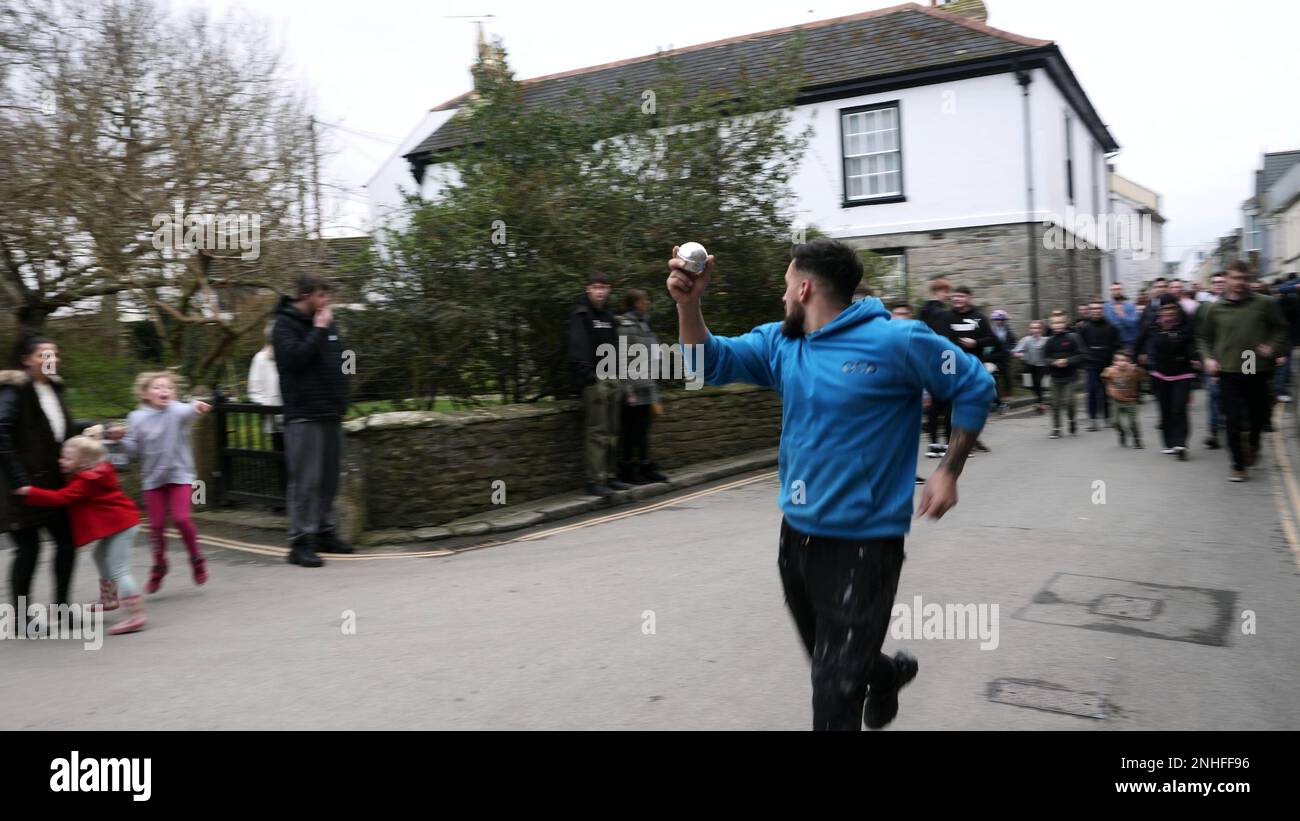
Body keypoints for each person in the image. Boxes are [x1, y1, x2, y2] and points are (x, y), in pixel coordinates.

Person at [667, 238, 993, 731]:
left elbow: (974, 384)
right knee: (832, 661)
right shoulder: (782, 343)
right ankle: (884, 675)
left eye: (784, 289)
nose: (781, 300)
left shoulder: (898, 341)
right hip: (796, 539)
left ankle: (866, 677)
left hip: (865, 547)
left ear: (803, 288)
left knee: (833, 694)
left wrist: (949, 468)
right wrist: (689, 304)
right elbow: (703, 364)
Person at [16, 432, 148, 634]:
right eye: (62, 456)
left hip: (122, 525)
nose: (61, 461)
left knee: (119, 569)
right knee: (99, 556)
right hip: (118, 523)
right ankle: (109, 599)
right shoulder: (93, 473)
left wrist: (30, 492)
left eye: (67, 458)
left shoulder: (85, 481)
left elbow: (61, 498)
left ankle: (136, 615)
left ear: (84, 462)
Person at [273, 274, 354, 566]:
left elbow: (340, 361)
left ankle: (323, 532)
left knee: (329, 480)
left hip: (330, 411)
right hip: (303, 413)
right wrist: (318, 330)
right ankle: (299, 542)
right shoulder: (283, 325)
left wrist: (343, 399)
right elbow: (294, 360)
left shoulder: (328, 323)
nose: (326, 301)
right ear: (305, 296)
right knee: (306, 481)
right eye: (322, 295)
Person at [107, 372, 211, 592]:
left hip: (179, 475)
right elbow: (135, 449)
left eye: (169, 388)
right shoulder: (136, 417)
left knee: (182, 519)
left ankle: (196, 559)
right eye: (158, 387)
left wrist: (197, 407)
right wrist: (120, 440)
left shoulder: (176, 411)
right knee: (156, 526)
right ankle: (159, 565)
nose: (164, 391)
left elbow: (188, 410)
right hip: (153, 478)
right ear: (145, 394)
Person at [0, 335, 83, 611]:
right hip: (20, 488)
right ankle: (23, 617)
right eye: (44, 355)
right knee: (29, 549)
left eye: (55, 355)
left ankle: (62, 607)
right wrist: (19, 481)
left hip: (53, 485)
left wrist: (98, 428)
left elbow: (56, 431)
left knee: (67, 543)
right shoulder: (14, 391)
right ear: (26, 360)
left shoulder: (54, 389)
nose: (52, 360)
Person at [1196, 261, 1289, 482]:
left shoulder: (1264, 303)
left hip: (1255, 365)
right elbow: (1204, 338)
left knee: (1257, 416)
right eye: (1236, 278)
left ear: (1250, 279)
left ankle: (1254, 443)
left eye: (1244, 278)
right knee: (1233, 419)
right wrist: (1208, 358)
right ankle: (1237, 465)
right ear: (1227, 278)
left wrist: (1272, 347)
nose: (1240, 283)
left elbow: (1281, 328)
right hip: (1228, 369)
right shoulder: (1215, 307)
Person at [570, 272, 631, 498]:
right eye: (596, 287)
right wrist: (589, 377)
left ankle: (610, 476)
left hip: (612, 377)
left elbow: (615, 346)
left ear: (609, 290)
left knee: (613, 430)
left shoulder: (608, 316)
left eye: (604, 287)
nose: (600, 291)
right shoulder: (581, 314)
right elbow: (578, 347)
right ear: (588, 288)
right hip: (595, 380)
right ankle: (595, 480)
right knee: (597, 431)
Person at [614, 289, 668, 485]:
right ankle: (628, 469)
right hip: (633, 389)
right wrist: (627, 390)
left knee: (644, 430)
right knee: (630, 432)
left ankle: (645, 467)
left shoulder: (644, 323)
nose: (648, 303)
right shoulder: (626, 326)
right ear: (636, 303)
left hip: (648, 385)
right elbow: (621, 360)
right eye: (645, 300)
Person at [1145, 296, 1200, 459]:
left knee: (1179, 408)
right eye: (1164, 310)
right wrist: (1139, 357)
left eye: (1171, 309)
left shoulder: (1186, 326)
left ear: (1177, 310)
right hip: (1160, 373)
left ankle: (1181, 443)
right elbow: (1143, 341)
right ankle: (1169, 442)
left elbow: (1194, 343)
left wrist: (1196, 357)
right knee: (1165, 409)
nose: (1168, 313)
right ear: (1160, 312)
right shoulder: (1154, 327)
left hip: (1182, 372)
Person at [944, 286, 994, 452]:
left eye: (961, 296)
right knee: (952, 403)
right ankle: (955, 441)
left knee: (973, 402)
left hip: (973, 365)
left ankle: (972, 438)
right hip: (950, 363)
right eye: (955, 296)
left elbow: (992, 339)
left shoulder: (978, 317)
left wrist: (975, 343)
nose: (957, 299)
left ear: (969, 298)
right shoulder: (947, 316)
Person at [919, 280, 953, 459]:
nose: (948, 296)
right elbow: (946, 341)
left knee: (932, 404)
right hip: (945, 360)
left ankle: (933, 444)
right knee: (948, 404)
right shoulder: (944, 314)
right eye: (946, 292)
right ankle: (947, 442)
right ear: (939, 291)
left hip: (926, 361)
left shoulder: (922, 312)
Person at [1195, 274, 1227, 447]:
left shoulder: (1243, 303)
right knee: (1214, 394)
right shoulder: (1205, 307)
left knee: (1241, 393)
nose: (1218, 285)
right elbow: (1200, 335)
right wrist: (1204, 357)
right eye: (1215, 282)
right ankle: (1213, 431)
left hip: (1242, 358)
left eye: (1221, 282)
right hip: (1213, 358)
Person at [1079, 300, 1120, 430]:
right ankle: (1092, 420)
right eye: (1093, 308)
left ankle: (1108, 418)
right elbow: (1081, 346)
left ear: (1102, 310)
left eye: (1099, 308)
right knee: (1091, 391)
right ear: (1090, 310)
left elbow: (1117, 345)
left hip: (1107, 364)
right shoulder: (1084, 327)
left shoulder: (1111, 326)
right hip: (1091, 365)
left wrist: (1115, 361)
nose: (1096, 310)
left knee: (1107, 392)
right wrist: (1085, 359)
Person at [1044, 313, 1086, 438]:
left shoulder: (1073, 338)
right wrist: (1053, 362)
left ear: (1065, 323)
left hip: (1070, 377)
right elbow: (1045, 358)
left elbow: (1081, 355)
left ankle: (1072, 421)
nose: (1057, 325)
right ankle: (1056, 428)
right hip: (1055, 377)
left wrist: (1067, 361)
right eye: (1055, 323)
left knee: (1069, 403)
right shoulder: (1049, 341)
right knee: (1055, 404)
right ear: (1051, 325)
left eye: (1060, 322)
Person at [1012, 320, 1050, 413]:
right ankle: (1040, 402)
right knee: (1033, 385)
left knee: (1038, 382)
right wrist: (1019, 354)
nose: (1035, 330)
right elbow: (1015, 351)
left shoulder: (1046, 340)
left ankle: (1040, 403)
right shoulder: (1026, 340)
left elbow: (1054, 348)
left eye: (1037, 328)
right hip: (1030, 365)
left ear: (1041, 329)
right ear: (1030, 329)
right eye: (1033, 328)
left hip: (1043, 365)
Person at [988, 309, 1016, 407]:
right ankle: (996, 398)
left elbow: (1013, 342)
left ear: (1004, 320)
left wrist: (1010, 349)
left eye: (1001, 319)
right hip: (993, 357)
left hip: (1005, 357)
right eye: (996, 319)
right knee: (993, 377)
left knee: (1006, 376)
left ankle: (1007, 394)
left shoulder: (1008, 330)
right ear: (993, 320)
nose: (999, 321)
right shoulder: (990, 330)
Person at [1104, 283, 1139, 349]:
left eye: (1119, 289)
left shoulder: (1130, 305)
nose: (1116, 291)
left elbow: (1134, 324)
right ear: (1110, 292)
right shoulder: (1106, 306)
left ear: (1123, 291)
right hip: (1111, 342)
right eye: (1114, 289)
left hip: (1127, 343)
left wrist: (1122, 315)